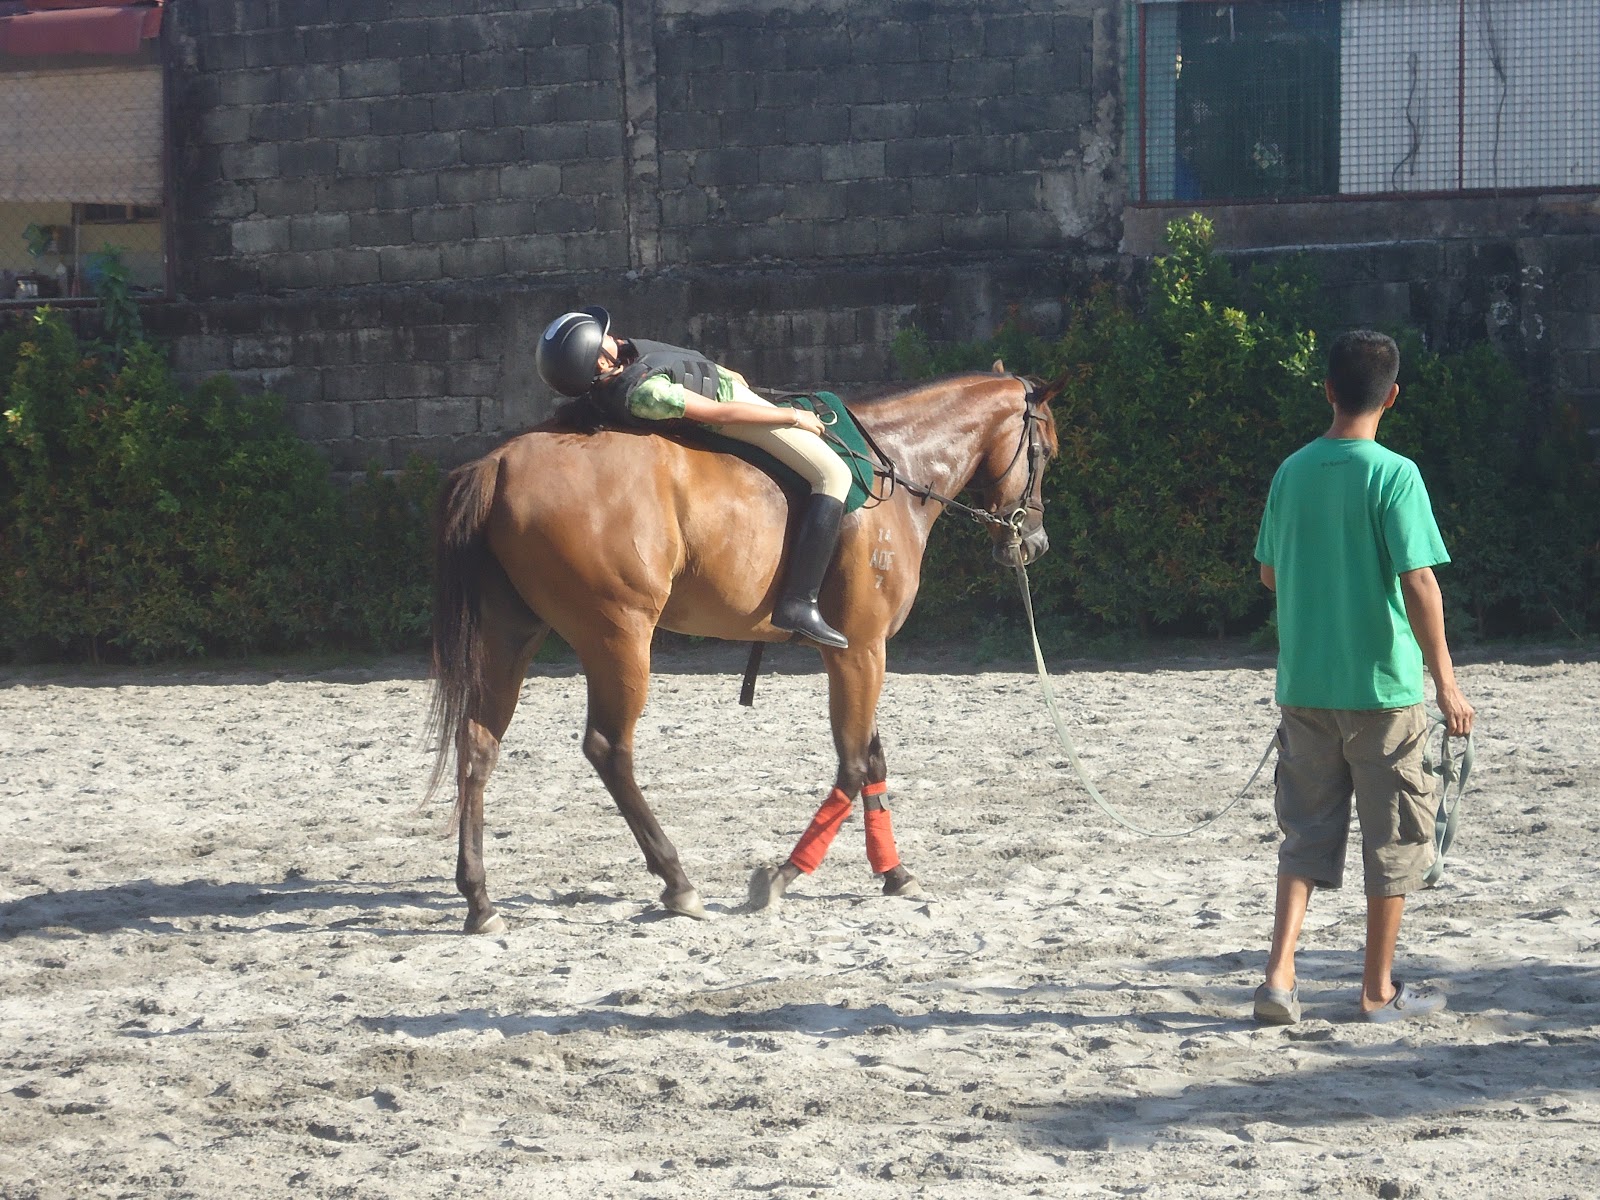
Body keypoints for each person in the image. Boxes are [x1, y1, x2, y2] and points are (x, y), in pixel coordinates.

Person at [1252, 329, 1475, 1025]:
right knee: (1396, 840)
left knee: (1305, 835)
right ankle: (1376, 990)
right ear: (1393, 396)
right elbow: (1420, 583)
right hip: (1383, 691)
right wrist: (1447, 683)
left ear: (1327, 390)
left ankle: (1279, 978)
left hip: (1306, 687)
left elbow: (1268, 571)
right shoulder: (1395, 474)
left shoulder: (1290, 471)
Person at [535, 306, 852, 649]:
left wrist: (725, 373)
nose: (614, 339)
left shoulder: (623, 359)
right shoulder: (646, 393)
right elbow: (720, 412)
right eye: (605, 340)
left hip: (729, 390)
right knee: (833, 474)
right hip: (730, 412)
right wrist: (791, 416)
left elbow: (671, 359)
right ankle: (800, 604)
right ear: (599, 364)